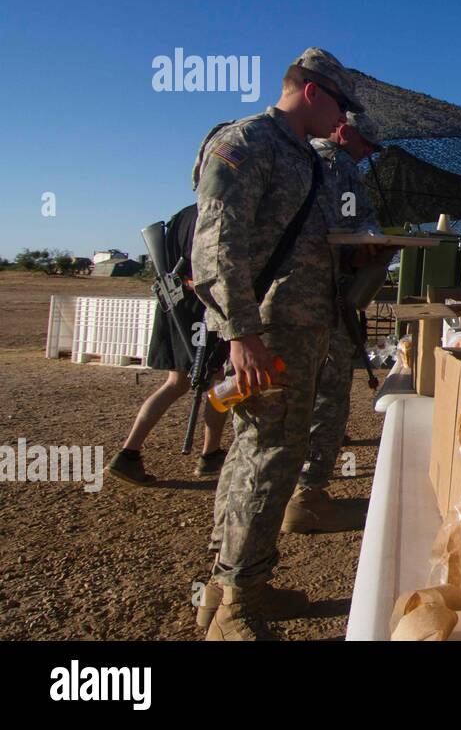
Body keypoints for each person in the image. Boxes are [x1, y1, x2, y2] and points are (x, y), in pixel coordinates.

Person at [190, 47, 369, 640]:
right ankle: (238, 606)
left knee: (259, 455)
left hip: (297, 328)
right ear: (313, 91)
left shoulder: (301, 154)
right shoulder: (248, 142)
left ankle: (231, 585)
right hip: (266, 333)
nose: (343, 118)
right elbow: (215, 245)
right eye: (340, 103)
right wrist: (241, 334)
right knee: (268, 456)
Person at [281, 111, 385, 534]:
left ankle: (284, 490)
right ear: (345, 132)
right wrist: (373, 245)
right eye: (365, 145)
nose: (366, 156)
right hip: (329, 300)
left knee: (287, 398)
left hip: (286, 304)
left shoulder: (293, 158)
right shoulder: (337, 166)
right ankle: (309, 496)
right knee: (329, 395)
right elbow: (357, 227)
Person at [106, 203, 227, 486]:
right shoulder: (216, 208)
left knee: (179, 382)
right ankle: (210, 455)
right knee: (216, 382)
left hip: (174, 304)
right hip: (201, 305)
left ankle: (130, 452)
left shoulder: (182, 216)